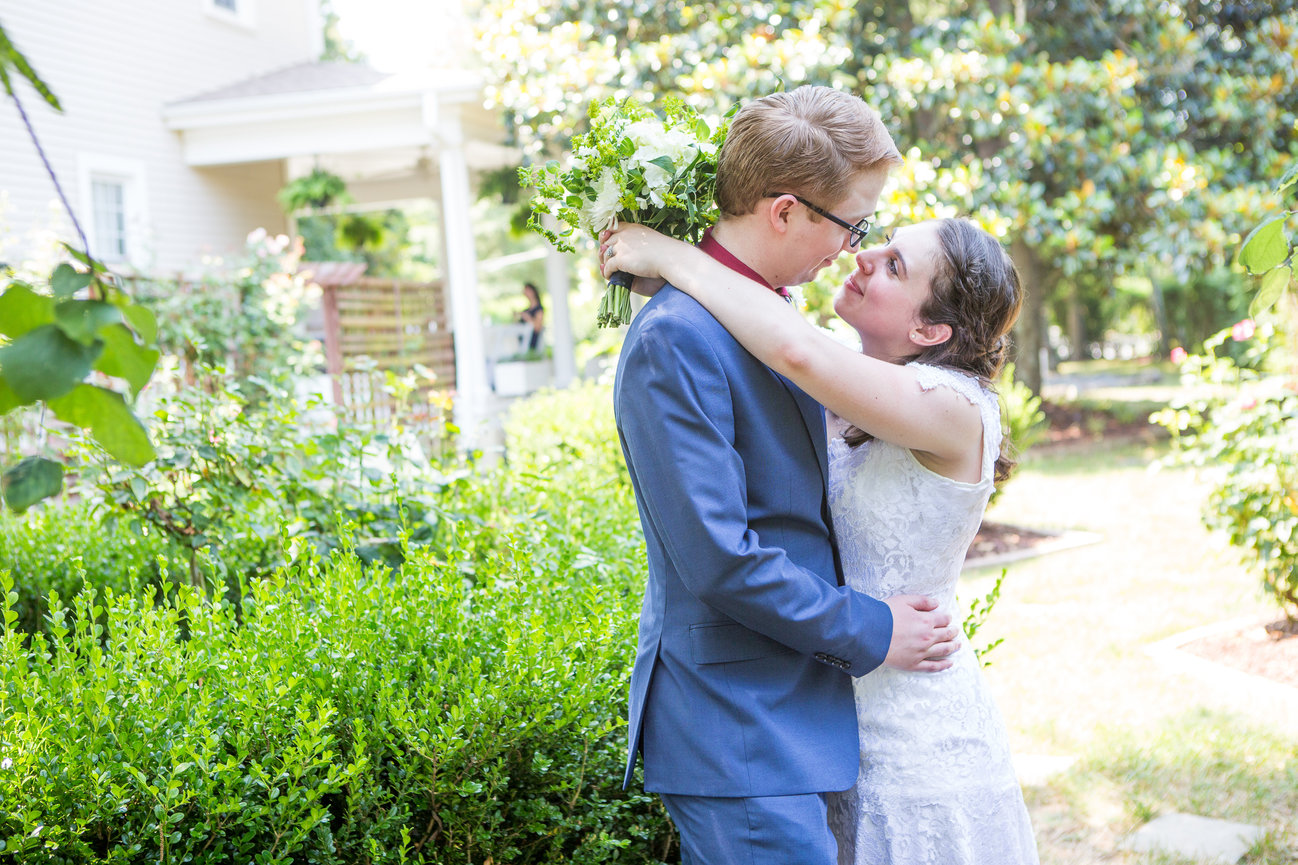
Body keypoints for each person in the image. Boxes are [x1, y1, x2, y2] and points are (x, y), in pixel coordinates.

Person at [600, 215, 1039, 864]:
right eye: (883, 241)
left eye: (895, 266)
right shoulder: (852, 386)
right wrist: (672, 288)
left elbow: (792, 347)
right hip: (817, 713)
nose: (866, 258)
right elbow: (755, 339)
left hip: (913, 722)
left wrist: (674, 255)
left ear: (930, 330)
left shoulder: (955, 408)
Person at [605, 84, 961, 865]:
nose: (853, 247)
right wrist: (877, 628)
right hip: (740, 732)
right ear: (786, 211)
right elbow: (722, 559)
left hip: (803, 720)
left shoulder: (763, 318)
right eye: (852, 223)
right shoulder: (676, 338)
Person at [517, 281, 545, 351]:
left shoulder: (539, 309)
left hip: (532, 342)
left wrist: (528, 318)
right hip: (521, 341)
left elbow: (538, 328)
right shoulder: (525, 310)